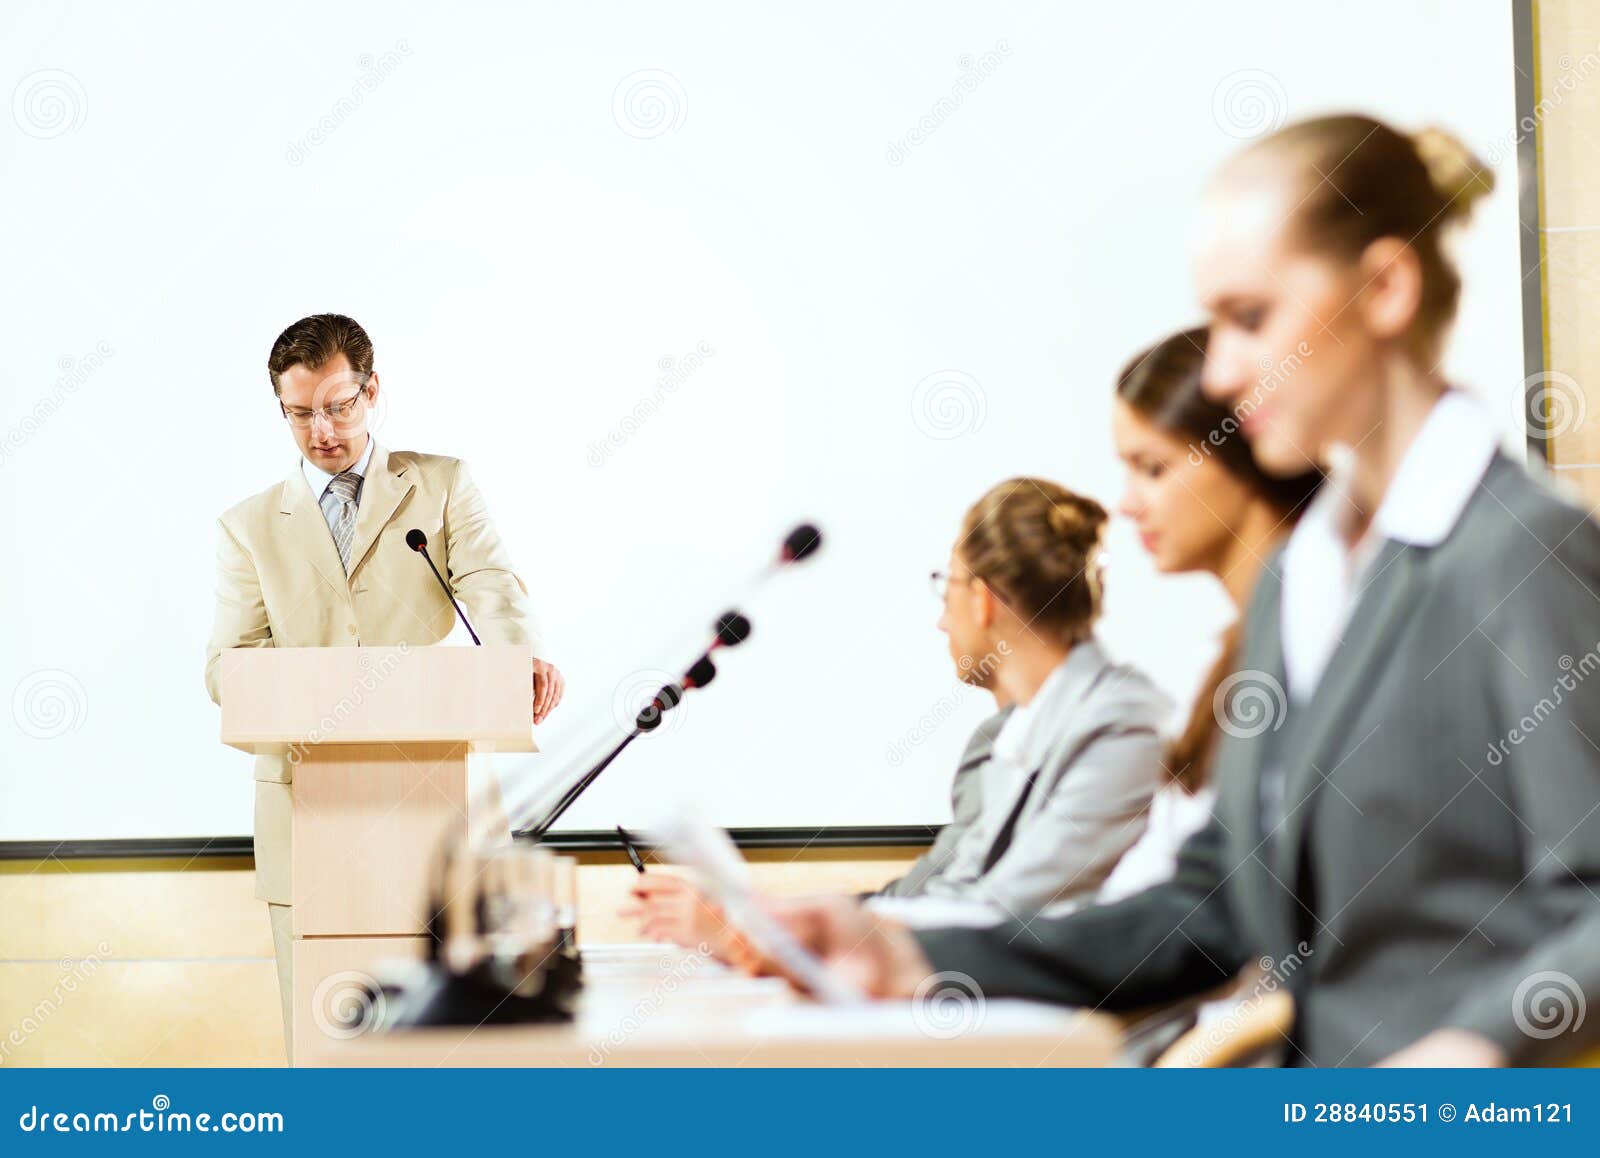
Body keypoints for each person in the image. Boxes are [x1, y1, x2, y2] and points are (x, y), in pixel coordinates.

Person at [778, 115, 1600, 1067]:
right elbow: (1210, 907)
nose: (1219, 371)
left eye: (1251, 318)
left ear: (1386, 287)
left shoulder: (1523, 551)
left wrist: (1473, 1049)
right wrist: (909, 950)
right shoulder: (1306, 575)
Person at [204, 313, 565, 1061]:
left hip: (437, 814)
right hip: (307, 819)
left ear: (373, 392)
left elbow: (489, 585)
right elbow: (226, 666)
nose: (321, 431)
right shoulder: (248, 528)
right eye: (300, 413)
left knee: (455, 1052)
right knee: (324, 1042)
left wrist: (517, 655)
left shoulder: (439, 484)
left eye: (338, 406)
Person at [626, 478, 1171, 947]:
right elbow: (933, 894)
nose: (940, 622)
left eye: (946, 588)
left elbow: (992, 918)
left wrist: (757, 930)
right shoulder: (1008, 735)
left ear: (981, 600)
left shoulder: (1119, 724)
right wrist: (761, 923)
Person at [1099, 326, 1319, 902]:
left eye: (1152, 468)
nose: (1126, 502)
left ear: (1244, 453)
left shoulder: (1317, 641)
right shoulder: (1228, 652)